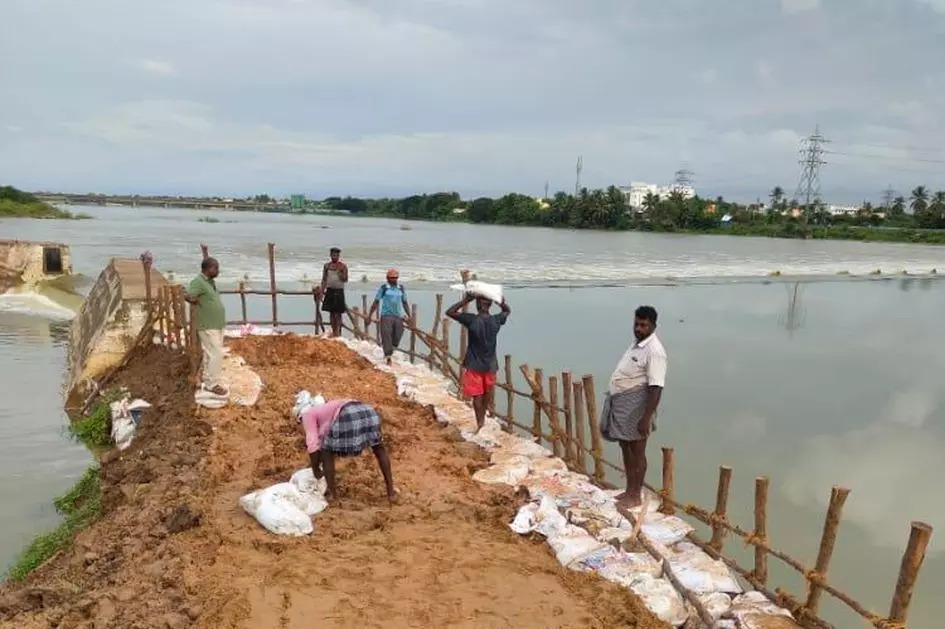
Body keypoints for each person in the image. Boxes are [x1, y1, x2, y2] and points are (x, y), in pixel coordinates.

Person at [600, 305, 666, 509]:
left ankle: (635, 495)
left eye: (644, 325)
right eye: (636, 324)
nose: (638, 329)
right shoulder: (637, 345)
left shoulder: (655, 351)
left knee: (637, 450)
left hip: (637, 405)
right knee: (625, 447)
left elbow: (656, 387)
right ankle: (629, 490)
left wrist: (645, 418)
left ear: (653, 326)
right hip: (623, 403)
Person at [446, 270, 511, 431]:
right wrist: (500, 302)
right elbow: (507, 311)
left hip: (474, 364)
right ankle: (483, 422)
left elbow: (450, 312)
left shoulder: (472, 320)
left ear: (477, 305)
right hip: (490, 364)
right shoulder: (496, 321)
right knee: (487, 393)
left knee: (477, 395)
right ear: (489, 305)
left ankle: (480, 423)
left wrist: (465, 300)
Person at [299, 397, 395, 502]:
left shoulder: (307, 414)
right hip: (368, 410)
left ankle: (333, 497)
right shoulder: (325, 410)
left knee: (327, 452)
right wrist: (315, 462)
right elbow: (324, 439)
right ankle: (391, 492)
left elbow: (312, 443)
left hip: (348, 414)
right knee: (379, 448)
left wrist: (316, 470)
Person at [185, 256, 228, 397]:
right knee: (216, 353)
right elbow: (189, 295)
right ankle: (212, 384)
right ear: (208, 268)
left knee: (211, 353)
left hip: (216, 324)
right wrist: (193, 300)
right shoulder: (198, 281)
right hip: (207, 324)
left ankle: (208, 378)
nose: (218, 270)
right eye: (215, 268)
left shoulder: (210, 282)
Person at [367, 268, 410, 366]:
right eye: (391, 278)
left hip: (398, 316)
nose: (393, 279)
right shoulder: (384, 288)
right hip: (386, 315)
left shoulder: (401, 288)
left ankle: (390, 350)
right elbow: (376, 302)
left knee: (397, 336)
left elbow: (405, 302)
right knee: (386, 335)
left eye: (395, 278)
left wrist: (409, 316)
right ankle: (388, 356)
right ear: (387, 278)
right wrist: (370, 315)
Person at [320, 247, 348, 337]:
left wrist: (340, 273)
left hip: (339, 290)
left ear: (339, 256)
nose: (334, 257)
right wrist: (321, 291)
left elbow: (345, 279)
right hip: (330, 290)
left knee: (338, 313)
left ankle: (338, 332)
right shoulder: (327, 266)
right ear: (330, 255)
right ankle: (334, 330)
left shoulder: (343, 266)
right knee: (331, 312)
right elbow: (324, 279)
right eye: (333, 255)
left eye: (336, 255)